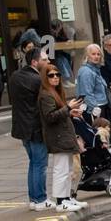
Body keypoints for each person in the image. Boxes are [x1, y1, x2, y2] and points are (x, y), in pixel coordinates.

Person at [37, 67, 87, 211]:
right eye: (51, 75)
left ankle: (67, 198)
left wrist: (70, 112)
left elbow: (58, 114)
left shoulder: (55, 92)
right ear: (45, 78)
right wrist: (67, 107)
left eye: (57, 74)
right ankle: (61, 202)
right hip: (57, 137)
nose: (55, 77)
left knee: (68, 169)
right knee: (61, 169)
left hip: (63, 135)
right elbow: (50, 117)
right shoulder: (46, 95)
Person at [11, 49, 52, 210]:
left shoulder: (15, 76)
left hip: (22, 129)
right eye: (45, 59)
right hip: (35, 128)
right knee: (40, 165)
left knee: (33, 163)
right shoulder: (37, 80)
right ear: (35, 62)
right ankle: (41, 199)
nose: (48, 62)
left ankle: (34, 199)